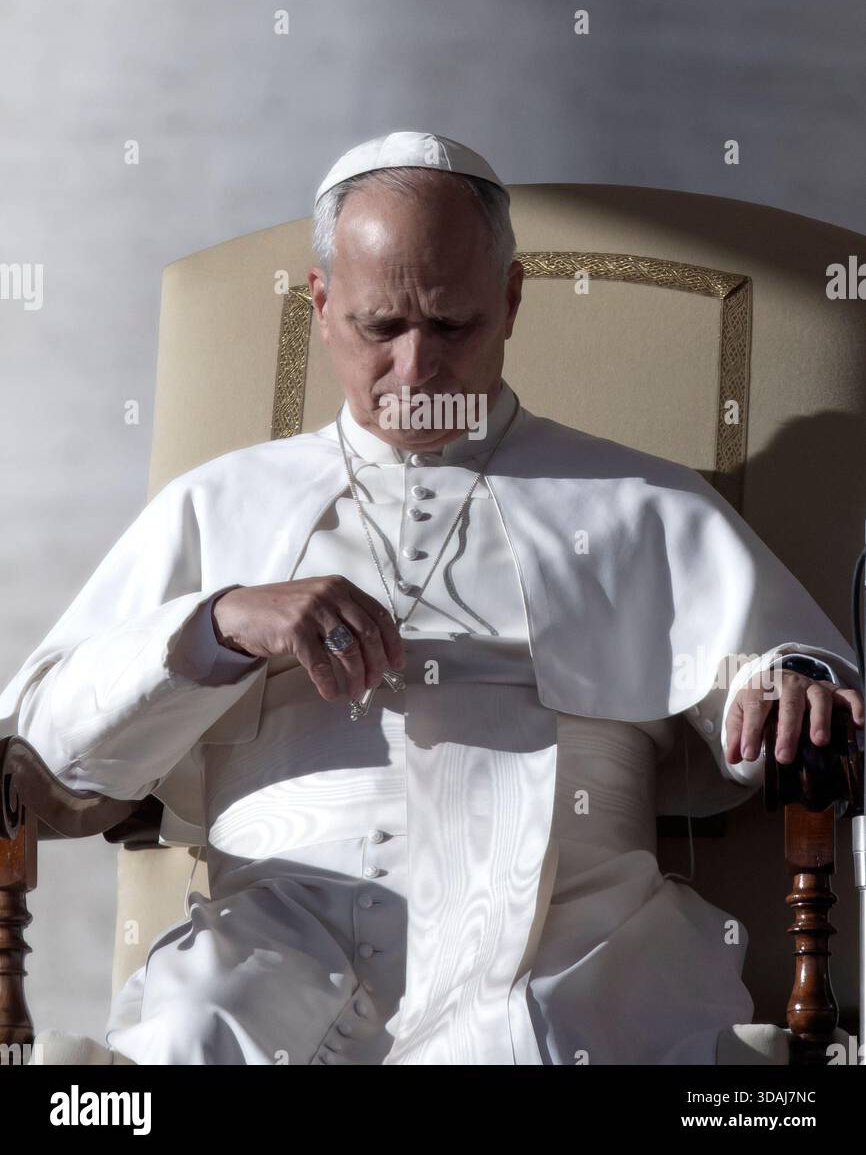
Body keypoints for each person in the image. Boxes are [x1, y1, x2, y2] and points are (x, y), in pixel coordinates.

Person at [3, 130, 862, 1065]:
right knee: (184, 1041)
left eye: (450, 326)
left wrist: (793, 688)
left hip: (567, 935)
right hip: (277, 932)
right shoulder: (219, 504)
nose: (416, 371)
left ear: (511, 300)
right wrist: (220, 624)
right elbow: (44, 751)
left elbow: (776, 668)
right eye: (382, 328)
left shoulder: (635, 505)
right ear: (322, 304)